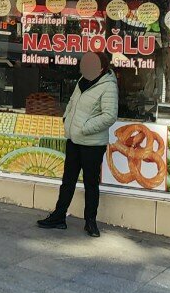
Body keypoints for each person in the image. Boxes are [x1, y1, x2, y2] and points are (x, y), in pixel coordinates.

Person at [38, 51, 118, 238]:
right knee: (68, 181)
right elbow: (72, 103)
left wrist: (83, 128)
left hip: (92, 143)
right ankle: (59, 216)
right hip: (74, 140)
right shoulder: (83, 80)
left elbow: (109, 115)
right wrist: (67, 120)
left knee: (91, 183)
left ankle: (90, 221)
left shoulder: (108, 86)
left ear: (102, 67)